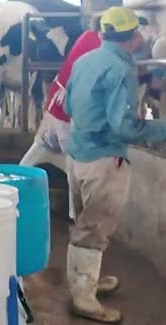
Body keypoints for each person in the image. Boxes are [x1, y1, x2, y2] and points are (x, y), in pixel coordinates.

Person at [61, 6, 166, 324]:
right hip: (104, 160)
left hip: (77, 155)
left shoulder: (84, 61)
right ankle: (83, 298)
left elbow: (68, 104)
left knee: (83, 221)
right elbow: (123, 128)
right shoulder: (121, 70)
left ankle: (86, 281)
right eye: (139, 32)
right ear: (132, 37)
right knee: (93, 229)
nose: (141, 37)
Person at [19, 26, 105, 222]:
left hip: (54, 104)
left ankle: (14, 195)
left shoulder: (87, 37)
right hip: (68, 112)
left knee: (35, 154)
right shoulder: (100, 48)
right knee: (74, 167)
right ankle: (75, 216)